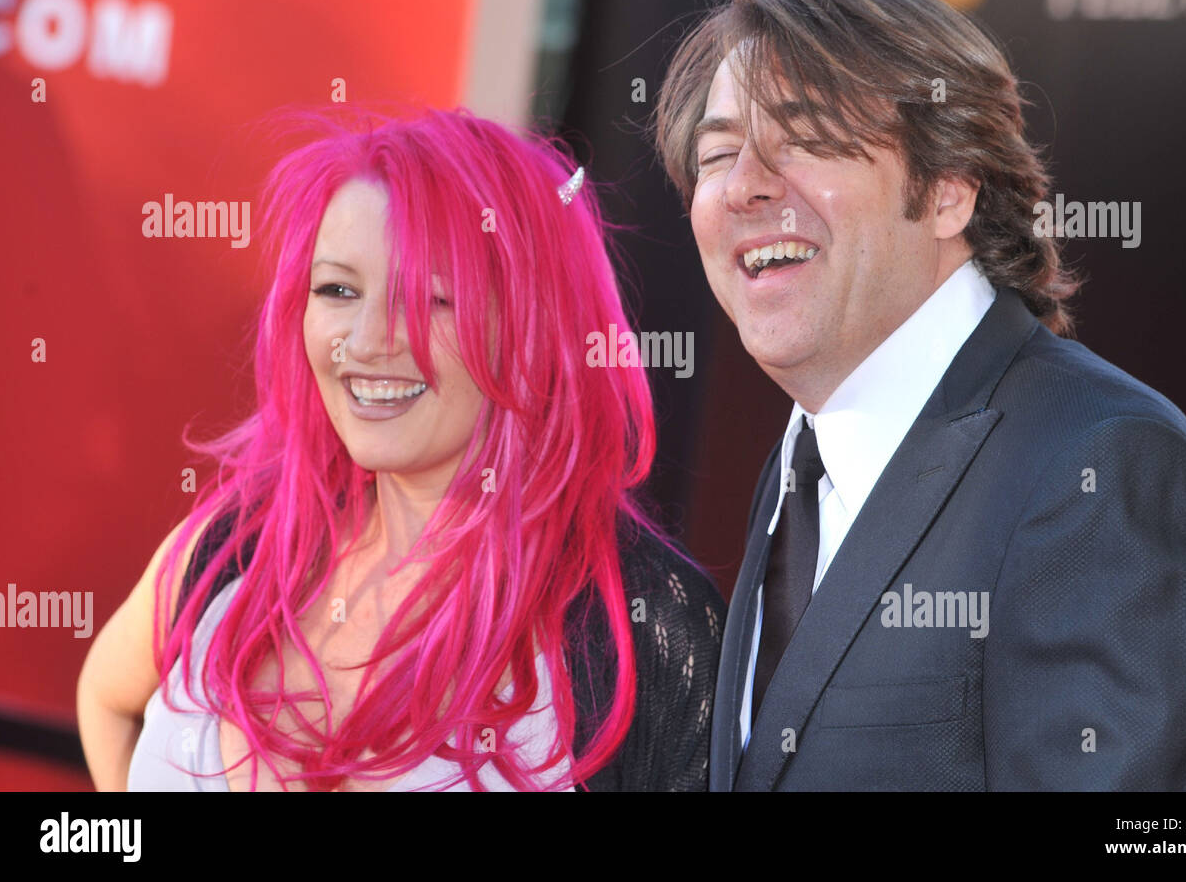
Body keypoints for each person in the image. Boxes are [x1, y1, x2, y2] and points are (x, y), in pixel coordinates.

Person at [654, 0, 1186, 790]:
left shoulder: (1103, 468)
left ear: (949, 188)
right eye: (719, 152)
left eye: (804, 139)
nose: (747, 188)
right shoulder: (805, 458)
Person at [77, 107, 725, 791]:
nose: (365, 340)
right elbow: (106, 698)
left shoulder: (635, 622)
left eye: (433, 297)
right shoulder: (239, 538)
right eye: (337, 290)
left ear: (536, 324)